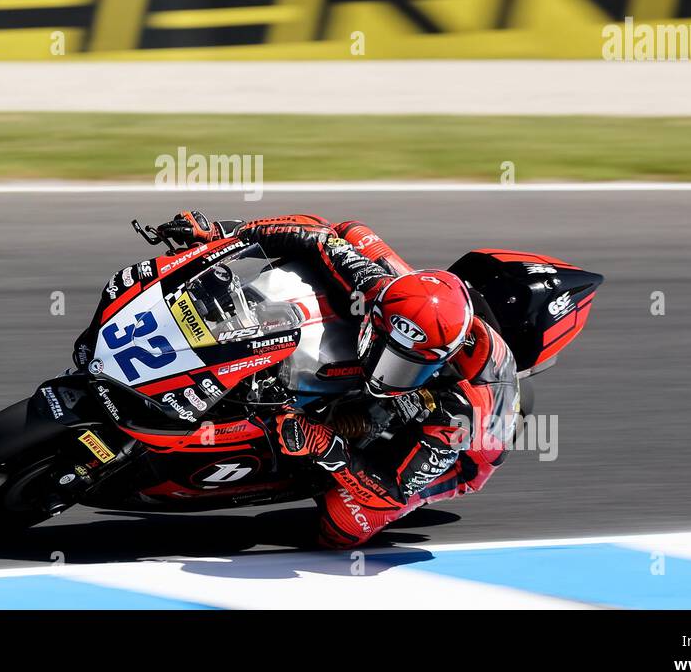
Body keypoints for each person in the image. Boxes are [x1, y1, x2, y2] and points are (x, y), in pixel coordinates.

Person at [156, 210, 519, 549]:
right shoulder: (376, 285)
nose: (386, 371)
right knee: (334, 247)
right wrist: (220, 234)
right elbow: (317, 233)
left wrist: (328, 448)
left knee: (344, 525)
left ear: (442, 359)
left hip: (458, 455)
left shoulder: (459, 415)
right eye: (387, 351)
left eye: (405, 366)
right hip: (404, 315)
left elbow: (393, 490)